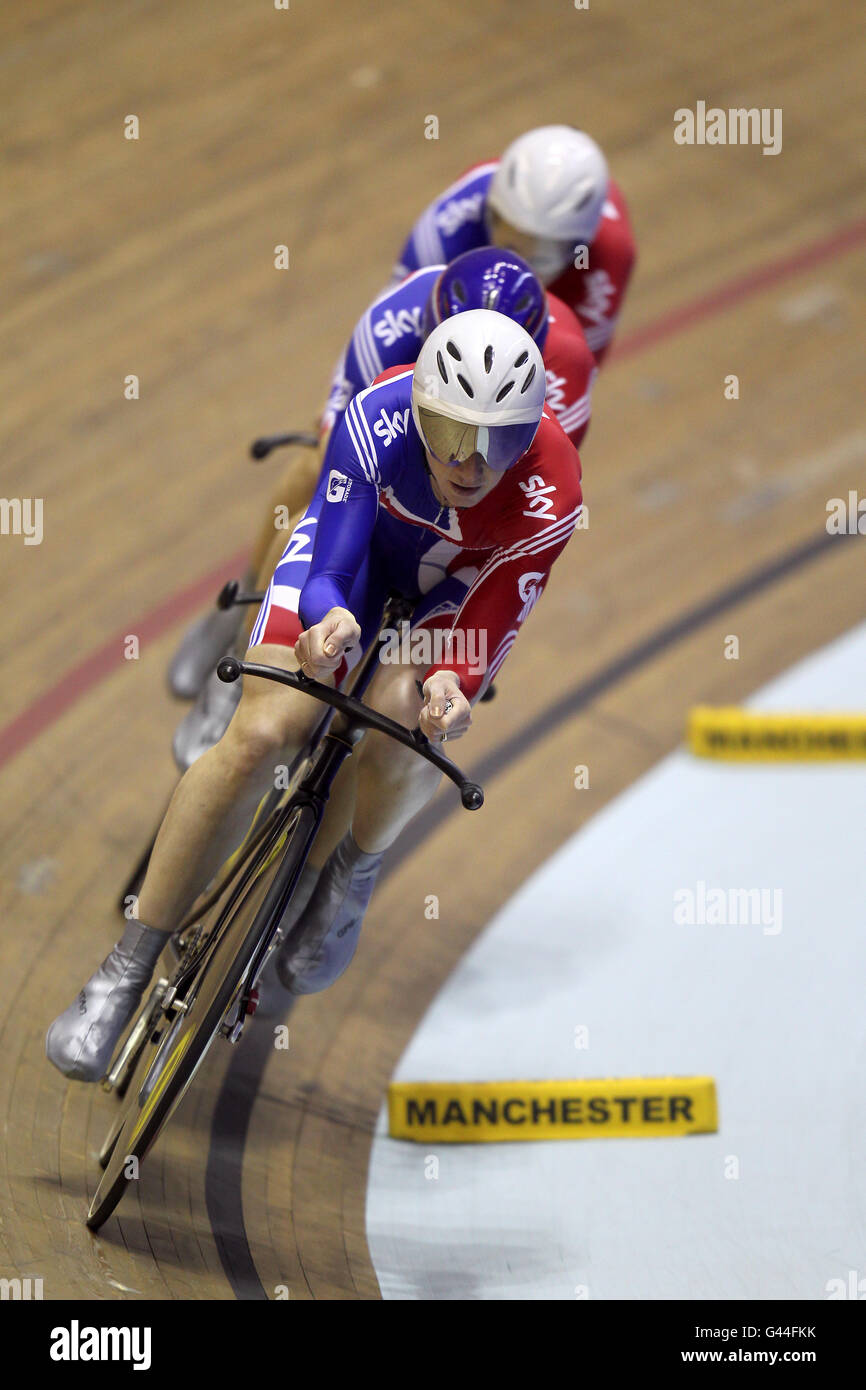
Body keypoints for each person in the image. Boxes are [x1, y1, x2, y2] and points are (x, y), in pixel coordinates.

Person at [46, 310, 584, 1082]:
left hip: (453, 596)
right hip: (354, 563)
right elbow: (333, 557)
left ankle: (351, 875)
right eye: (450, 430)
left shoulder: (551, 490)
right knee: (269, 729)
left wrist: (454, 690)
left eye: (497, 439)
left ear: (529, 432)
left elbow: (493, 615)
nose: (469, 461)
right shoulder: (376, 419)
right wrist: (329, 621)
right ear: (420, 410)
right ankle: (124, 972)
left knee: (409, 723)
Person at [172, 248, 596, 767]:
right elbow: (341, 450)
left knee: (397, 717)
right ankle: (237, 633)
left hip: (470, 532)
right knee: (315, 479)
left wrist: (459, 662)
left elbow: (526, 496)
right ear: (429, 327)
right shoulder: (396, 316)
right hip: (398, 461)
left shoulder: (565, 367)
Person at [393, 124, 636, 367]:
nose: (521, 259)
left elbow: (577, 368)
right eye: (510, 233)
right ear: (490, 210)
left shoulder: (612, 255)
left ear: (582, 244)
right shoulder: (461, 208)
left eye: (546, 250)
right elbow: (399, 314)